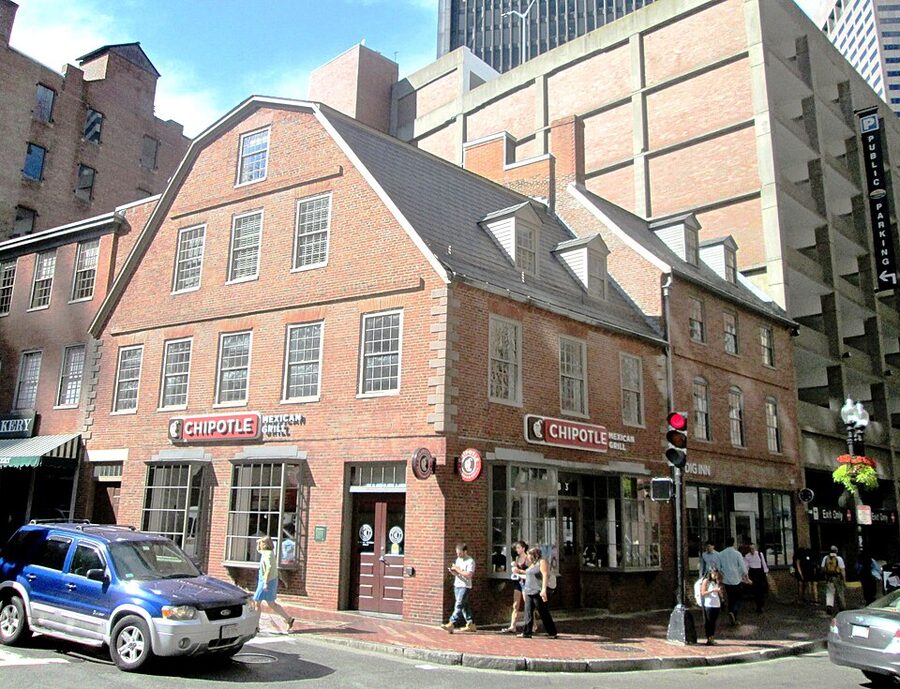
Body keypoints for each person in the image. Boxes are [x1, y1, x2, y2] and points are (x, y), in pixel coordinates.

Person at [252, 536, 295, 632]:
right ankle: (288, 619)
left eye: (262, 543)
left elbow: (268, 568)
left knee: (257, 602)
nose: (260, 545)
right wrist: (259, 541)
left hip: (267, 581)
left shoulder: (268, 555)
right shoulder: (265, 552)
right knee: (271, 603)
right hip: (266, 580)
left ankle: (256, 625)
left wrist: (265, 583)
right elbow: (258, 549)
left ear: (265, 544)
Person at [514, 546, 557, 639]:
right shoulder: (532, 564)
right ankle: (527, 632)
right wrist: (518, 573)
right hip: (529, 590)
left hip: (537, 590)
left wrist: (543, 590)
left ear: (534, 555)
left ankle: (552, 632)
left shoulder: (542, 562)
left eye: (529, 555)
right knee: (528, 612)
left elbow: (545, 575)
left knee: (543, 611)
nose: (528, 557)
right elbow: (529, 575)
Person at [442, 543, 476, 633]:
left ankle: (451, 623)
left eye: (460, 553)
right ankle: (470, 624)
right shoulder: (458, 560)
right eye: (457, 553)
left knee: (459, 604)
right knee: (464, 605)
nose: (458, 555)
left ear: (465, 551)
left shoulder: (470, 561)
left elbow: (469, 575)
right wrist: (453, 571)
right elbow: (458, 574)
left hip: (465, 586)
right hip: (457, 585)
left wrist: (457, 569)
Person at [719, 538, 749, 625]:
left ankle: (731, 613)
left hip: (727, 580)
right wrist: (743, 575)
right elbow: (744, 568)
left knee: (731, 598)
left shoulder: (721, 554)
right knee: (738, 598)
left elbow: (718, 567)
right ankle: (734, 613)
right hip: (737, 579)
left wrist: (723, 574)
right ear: (733, 543)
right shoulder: (737, 554)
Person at [501, 540, 529, 634]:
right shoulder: (516, 558)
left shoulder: (528, 559)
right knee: (515, 604)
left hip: (526, 582)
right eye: (516, 548)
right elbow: (515, 571)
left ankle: (532, 624)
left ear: (523, 548)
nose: (517, 550)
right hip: (518, 582)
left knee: (528, 604)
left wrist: (519, 571)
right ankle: (513, 626)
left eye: (518, 548)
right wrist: (514, 568)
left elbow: (530, 572)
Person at [699, 568, 724, 645]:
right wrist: (713, 590)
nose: (715, 576)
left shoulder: (717, 581)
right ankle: (709, 638)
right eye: (714, 574)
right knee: (708, 622)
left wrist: (720, 594)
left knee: (713, 622)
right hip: (709, 604)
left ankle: (712, 637)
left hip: (716, 604)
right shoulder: (706, 581)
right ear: (710, 573)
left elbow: (720, 594)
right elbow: (703, 593)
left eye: (716, 574)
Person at [744, 543, 769, 613]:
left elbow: (763, 563)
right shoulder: (747, 556)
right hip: (753, 573)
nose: (752, 550)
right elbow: (746, 566)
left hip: (760, 573)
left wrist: (766, 572)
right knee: (756, 590)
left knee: (761, 589)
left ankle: (761, 605)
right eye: (750, 549)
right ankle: (758, 605)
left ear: (755, 549)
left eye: (753, 548)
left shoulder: (760, 554)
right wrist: (746, 576)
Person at [821, 545, 847, 614]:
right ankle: (842, 607)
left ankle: (829, 606)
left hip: (829, 578)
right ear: (836, 551)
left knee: (829, 593)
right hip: (837, 577)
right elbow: (842, 570)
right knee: (840, 592)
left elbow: (822, 568)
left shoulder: (825, 558)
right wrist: (844, 580)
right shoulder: (839, 558)